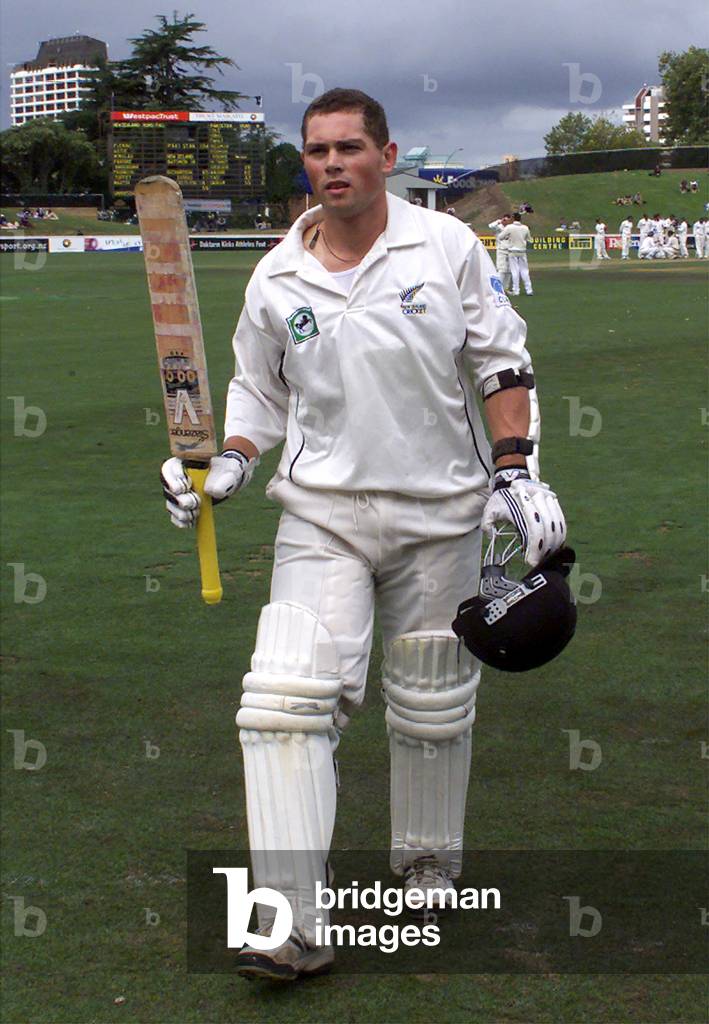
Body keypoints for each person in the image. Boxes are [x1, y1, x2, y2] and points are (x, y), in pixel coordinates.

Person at [160, 87, 566, 981]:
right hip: (322, 513)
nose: (332, 164)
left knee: (427, 700)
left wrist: (515, 468)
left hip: (441, 509)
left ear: (387, 155)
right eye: (316, 151)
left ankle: (425, 860)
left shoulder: (445, 244)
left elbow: (500, 358)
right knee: (284, 701)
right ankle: (289, 924)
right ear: (303, 163)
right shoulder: (276, 273)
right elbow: (256, 391)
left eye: (349, 148)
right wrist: (227, 459)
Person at [497, 212, 534, 295]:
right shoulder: (525, 228)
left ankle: (516, 290)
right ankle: (529, 290)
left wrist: (508, 237)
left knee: (514, 271)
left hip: (512, 251)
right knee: (525, 271)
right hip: (522, 251)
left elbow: (500, 237)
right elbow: (530, 239)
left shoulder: (509, 227)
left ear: (513, 218)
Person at [488, 212, 513, 290]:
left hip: (510, 250)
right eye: (505, 219)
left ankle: (506, 288)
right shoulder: (499, 227)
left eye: (508, 220)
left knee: (509, 270)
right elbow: (490, 226)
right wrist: (499, 221)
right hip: (501, 250)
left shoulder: (511, 228)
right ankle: (498, 288)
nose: (506, 221)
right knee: (502, 269)